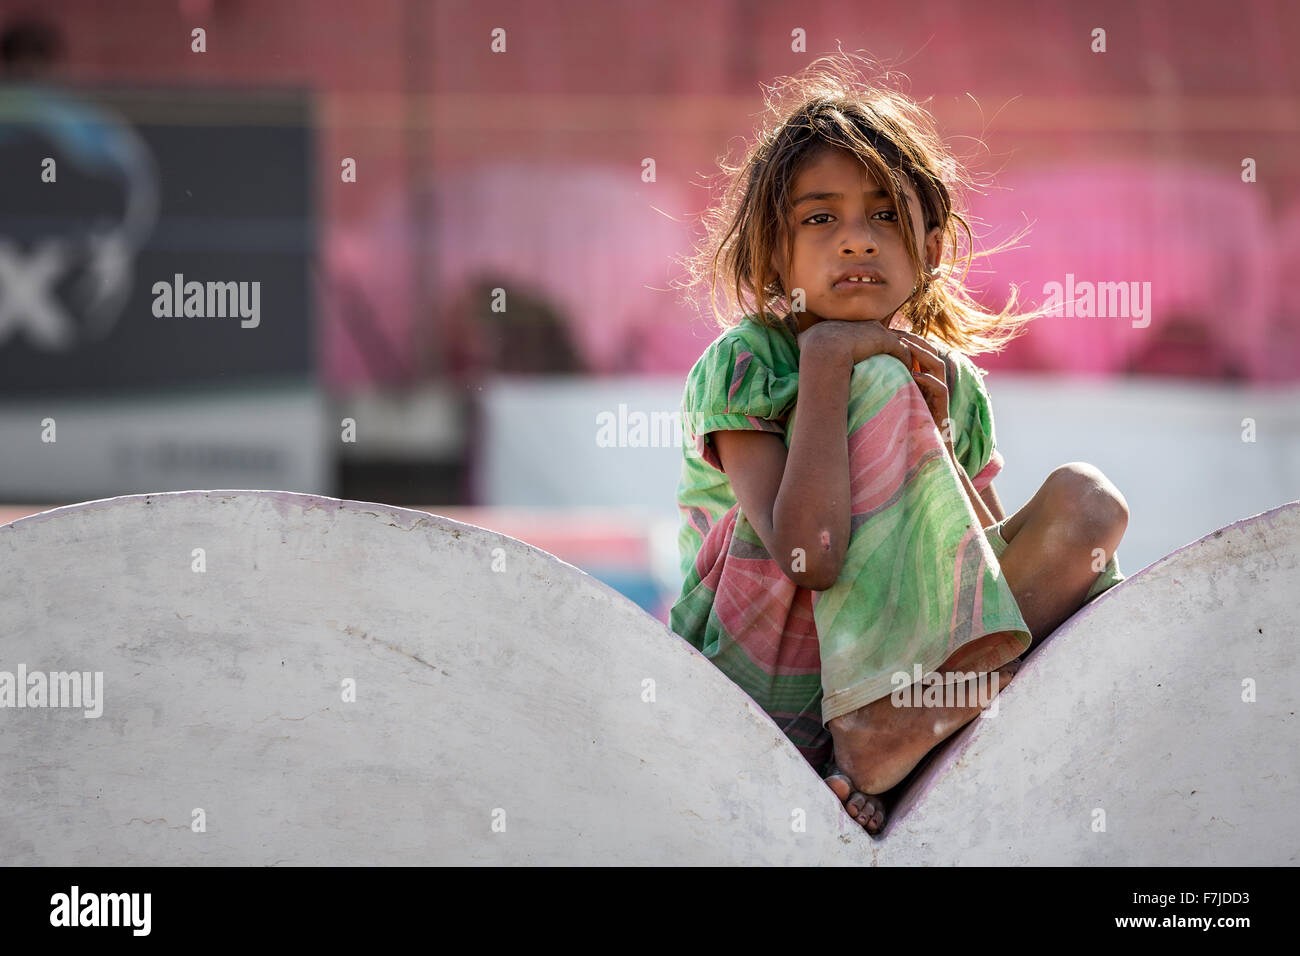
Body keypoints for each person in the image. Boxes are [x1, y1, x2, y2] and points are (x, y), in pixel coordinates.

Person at [669, 54, 1129, 835]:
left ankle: (890, 736)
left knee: (1088, 505)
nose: (856, 241)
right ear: (777, 254)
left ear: (932, 240)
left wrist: (940, 439)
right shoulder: (749, 360)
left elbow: (976, 582)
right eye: (820, 218)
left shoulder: (957, 383)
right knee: (875, 385)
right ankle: (876, 734)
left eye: (886, 215)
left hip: (910, 690)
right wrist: (826, 364)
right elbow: (809, 558)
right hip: (764, 684)